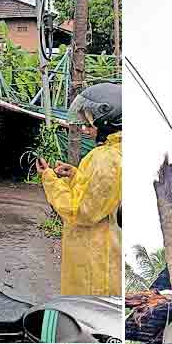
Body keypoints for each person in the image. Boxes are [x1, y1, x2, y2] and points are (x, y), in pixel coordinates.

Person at [36, 82, 121, 296]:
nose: (85, 127)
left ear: (106, 119)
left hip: (93, 259)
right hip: (106, 253)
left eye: (89, 121)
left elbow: (81, 211)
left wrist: (50, 179)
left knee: (85, 317)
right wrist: (76, 175)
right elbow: (104, 194)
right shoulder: (117, 152)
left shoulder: (105, 158)